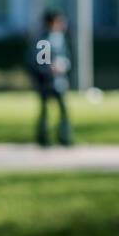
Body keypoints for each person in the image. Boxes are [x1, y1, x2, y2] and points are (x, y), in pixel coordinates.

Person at [28, 9, 73, 147]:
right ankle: (44, 137)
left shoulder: (59, 38)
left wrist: (63, 66)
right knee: (45, 110)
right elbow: (41, 62)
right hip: (47, 82)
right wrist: (50, 69)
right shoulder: (44, 41)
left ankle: (64, 137)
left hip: (58, 80)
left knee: (62, 109)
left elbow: (66, 58)